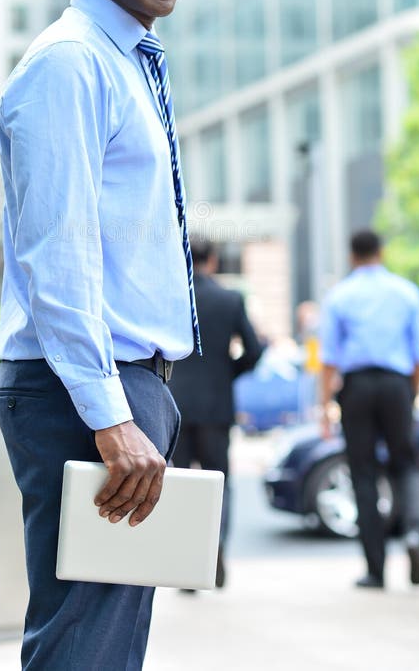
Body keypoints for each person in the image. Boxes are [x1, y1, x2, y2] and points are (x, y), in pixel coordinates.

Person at [0, 0, 199, 670]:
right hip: (88, 393)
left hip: (124, 385)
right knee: (83, 648)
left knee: (106, 646)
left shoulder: (128, 61)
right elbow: (58, 253)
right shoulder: (72, 64)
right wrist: (111, 417)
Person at [320, 229, 419, 590]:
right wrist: (409, 394)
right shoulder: (406, 292)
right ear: (380, 252)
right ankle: (414, 533)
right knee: (406, 463)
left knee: (363, 474)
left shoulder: (340, 295)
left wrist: (324, 408)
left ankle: (375, 569)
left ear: (352, 256)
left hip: (357, 389)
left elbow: (330, 359)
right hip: (397, 385)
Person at [169, 238, 262, 589]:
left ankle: (188, 567)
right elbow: (254, 350)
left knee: (180, 486)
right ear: (214, 260)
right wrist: (227, 373)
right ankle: (217, 545)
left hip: (175, 404)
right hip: (216, 408)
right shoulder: (230, 298)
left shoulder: (173, 297)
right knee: (218, 483)